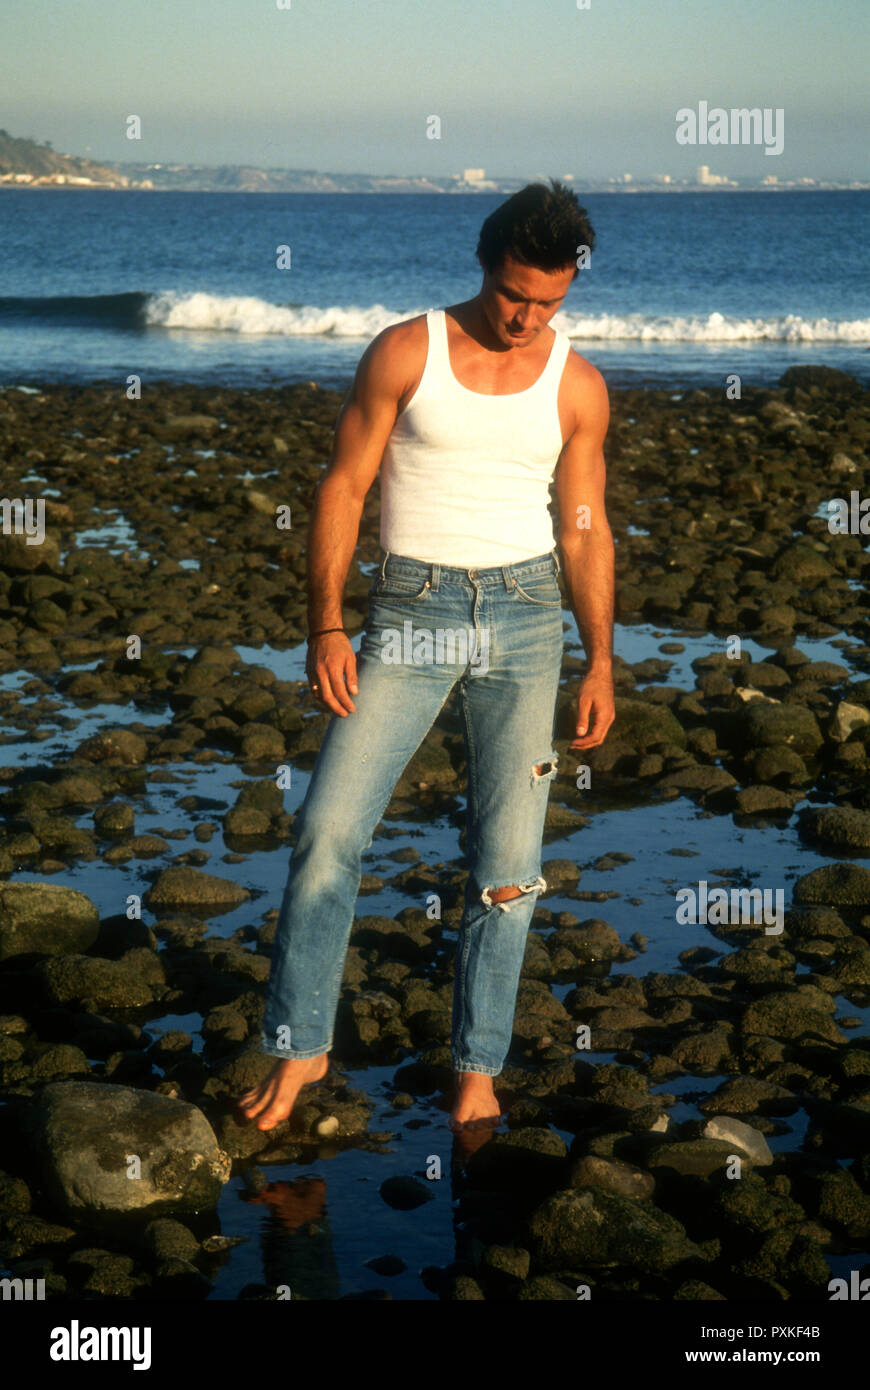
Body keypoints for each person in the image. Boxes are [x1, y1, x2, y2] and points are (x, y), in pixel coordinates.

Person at [239, 179, 615, 1134]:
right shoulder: (409, 350)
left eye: (550, 301)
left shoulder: (577, 383)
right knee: (327, 830)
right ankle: (302, 1046)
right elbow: (344, 485)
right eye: (515, 296)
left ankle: (478, 1066)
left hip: (528, 614)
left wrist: (601, 657)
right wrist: (326, 623)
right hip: (411, 607)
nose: (529, 317)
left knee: (508, 863)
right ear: (485, 266)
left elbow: (584, 528)